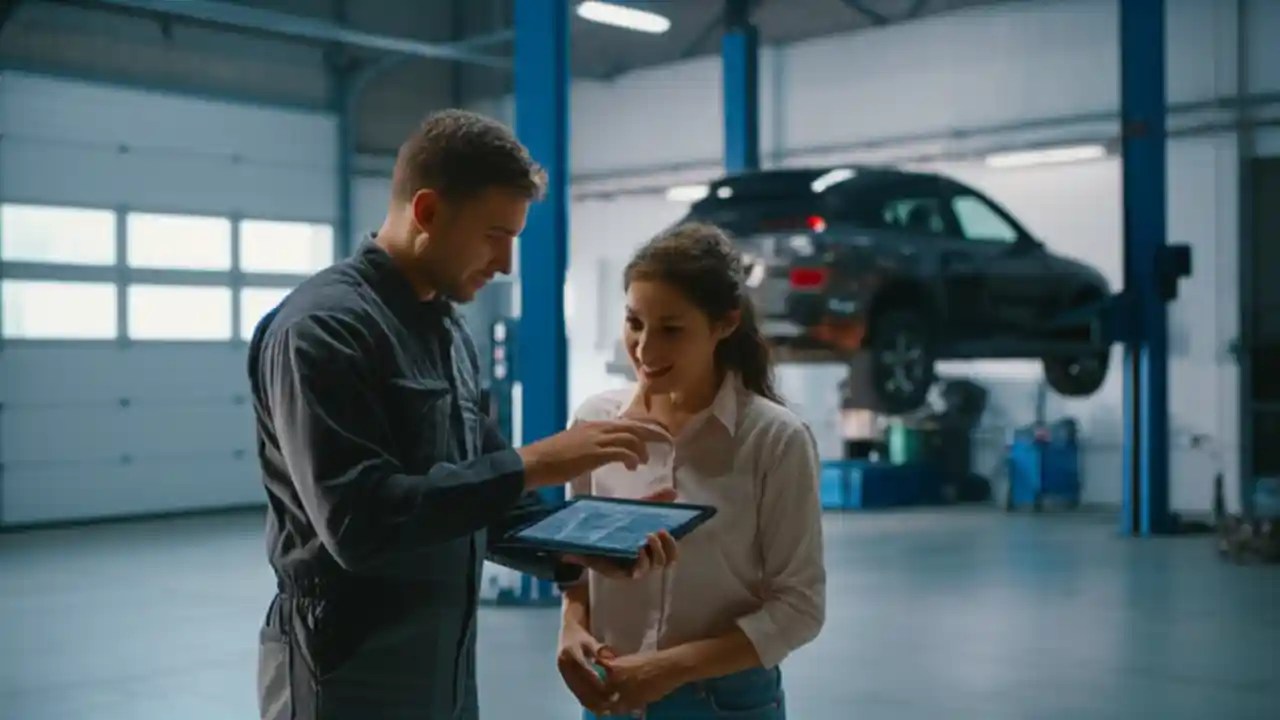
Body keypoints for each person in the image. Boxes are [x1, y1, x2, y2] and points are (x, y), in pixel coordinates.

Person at [247, 109, 679, 720]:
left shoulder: (447, 330)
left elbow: (486, 496)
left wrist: (580, 546)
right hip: (343, 668)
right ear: (426, 212)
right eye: (493, 234)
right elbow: (359, 522)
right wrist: (535, 462)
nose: (505, 263)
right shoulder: (322, 330)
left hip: (442, 661)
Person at [556, 223, 827, 719]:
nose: (645, 349)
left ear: (724, 324)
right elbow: (576, 566)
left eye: (671, 329)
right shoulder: (593, 424)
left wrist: (669, 669)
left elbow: (800, 608)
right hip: (611, 697)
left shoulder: (773, 440)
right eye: (634, 322)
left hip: (723, 703)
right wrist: (573, 628)